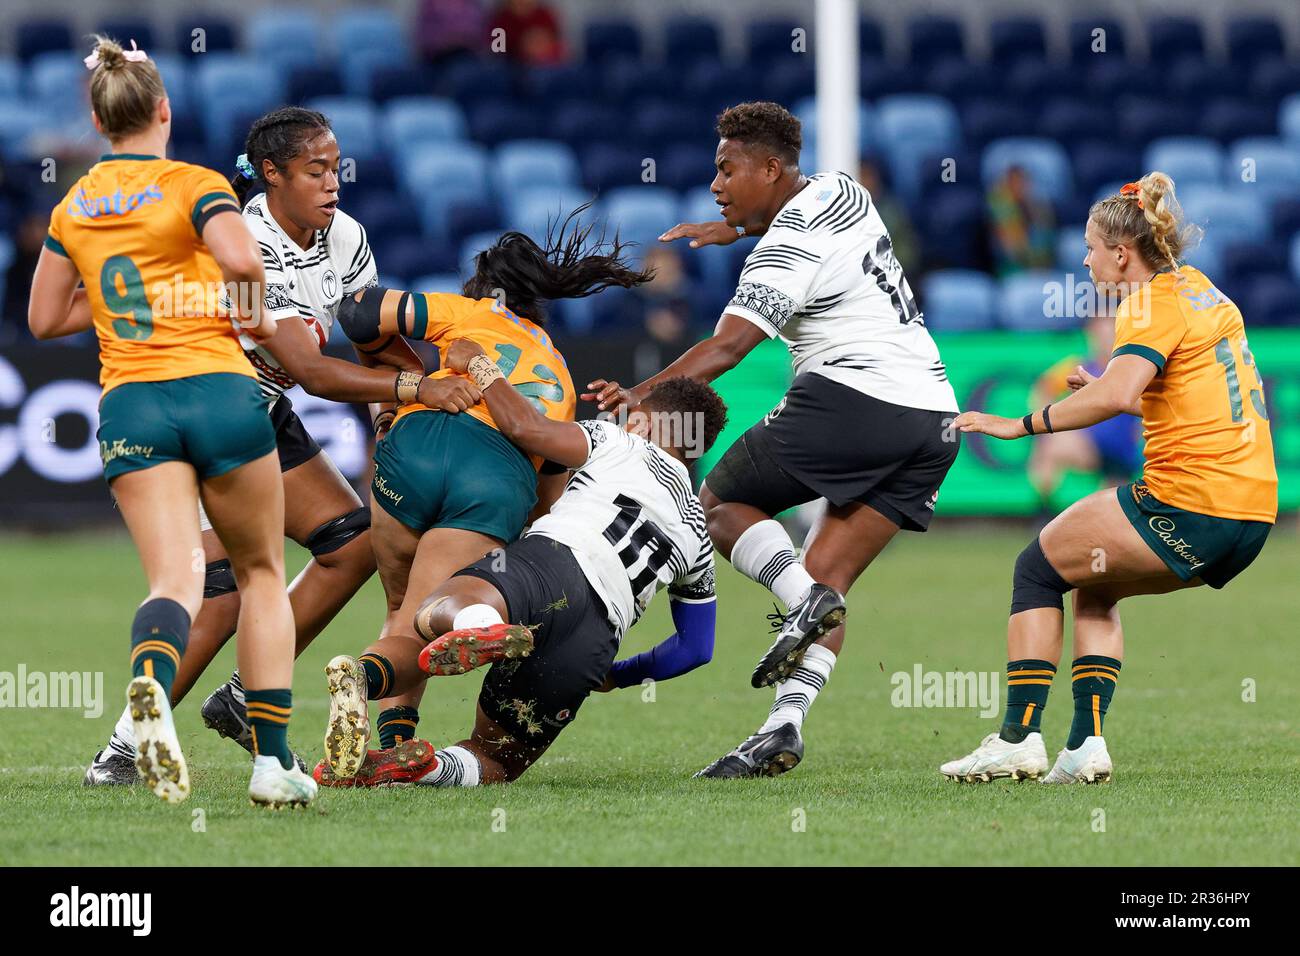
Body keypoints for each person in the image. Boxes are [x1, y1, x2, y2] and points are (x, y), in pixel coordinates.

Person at [83, 107, 469, 785]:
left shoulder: (344, 235)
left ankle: (241, 697)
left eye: (335, 168)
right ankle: (122, 748)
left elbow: (369, 335)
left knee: (350, 545)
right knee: (222, 590)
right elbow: (315, 369)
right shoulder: (246, 239)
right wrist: (419, 388)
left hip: (259, 409)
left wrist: (414, 398)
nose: (332, 183)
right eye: (315, 171)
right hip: (200, 407)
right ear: (271, 175)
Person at [587, 101, 961, 778]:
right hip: (933, 419)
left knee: (720, 504)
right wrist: (736, 226)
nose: (715, 184)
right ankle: (782, 726)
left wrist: (639, 395)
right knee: (825, 576)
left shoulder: (785, 248)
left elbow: (728, 347)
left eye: (727, 170)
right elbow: (795, 215)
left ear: (769, 166)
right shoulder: (846, 190)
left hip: (857, 398)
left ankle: (800, 603)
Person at [30, 37, 314, 806]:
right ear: (164, 110)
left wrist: (135, 300)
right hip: (219, 392)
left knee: (177, 578)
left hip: (133, 403)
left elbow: (45, 316)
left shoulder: (74, 203)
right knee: (258, 575)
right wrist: (251, 323)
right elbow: (245, 263)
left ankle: (149, 689)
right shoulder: (194, 182)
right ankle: (273, 764)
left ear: (97, 119)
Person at [942, 173, 1276, 784]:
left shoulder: (1145, 304)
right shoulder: (1201, 290)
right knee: (1095, 583)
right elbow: (1166, 394)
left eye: (1091, 247)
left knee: (1036, 568)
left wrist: (1022, 424)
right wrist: (1103, 390)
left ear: (1122, 254)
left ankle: (1017, 739)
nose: (1085, 258)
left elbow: (1120, 392)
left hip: (1192, 503)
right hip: (1250, 515)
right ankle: (1084, 746)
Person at [315, 217, 655, 784]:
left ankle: (396, 739)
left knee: (400, 603)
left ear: (483, 288)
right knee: (421, 621)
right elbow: (549, 503)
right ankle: (364, 679)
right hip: (493, 481)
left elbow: (356, 312)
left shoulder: (470, 313)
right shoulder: (563, 381)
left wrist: (398, 368)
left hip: (414, 448)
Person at [322, 347, 728, 787]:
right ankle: (427, 769)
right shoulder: (698, 535)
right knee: (495, 759)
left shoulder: (617, 442)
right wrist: (616, 676)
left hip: (553, 563)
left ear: (647, 423)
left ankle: (426, 647)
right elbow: (696, 647)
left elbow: (525, 427)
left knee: (431, 612)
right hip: (595, 639)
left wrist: (480, 365)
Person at [1028, 311, 1143, 519]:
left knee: (1111, 518)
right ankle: (1043, 511)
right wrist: (1051, 420)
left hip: (1125, 452)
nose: (1105, 338)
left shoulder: (1134, 368)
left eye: (1111, 332)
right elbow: (1043, 389)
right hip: (1090, 448)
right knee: (1050, 444)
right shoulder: (1078, 365)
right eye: (1100, 332)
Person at [987, 164, 1057, 278]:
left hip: (1041, 270)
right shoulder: (999, 208)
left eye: (1023, 182)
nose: (1020, 187)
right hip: (1010, 273)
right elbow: (1013, 251)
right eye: (1014, 182)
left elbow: (1047, 249)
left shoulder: (1038, 207)